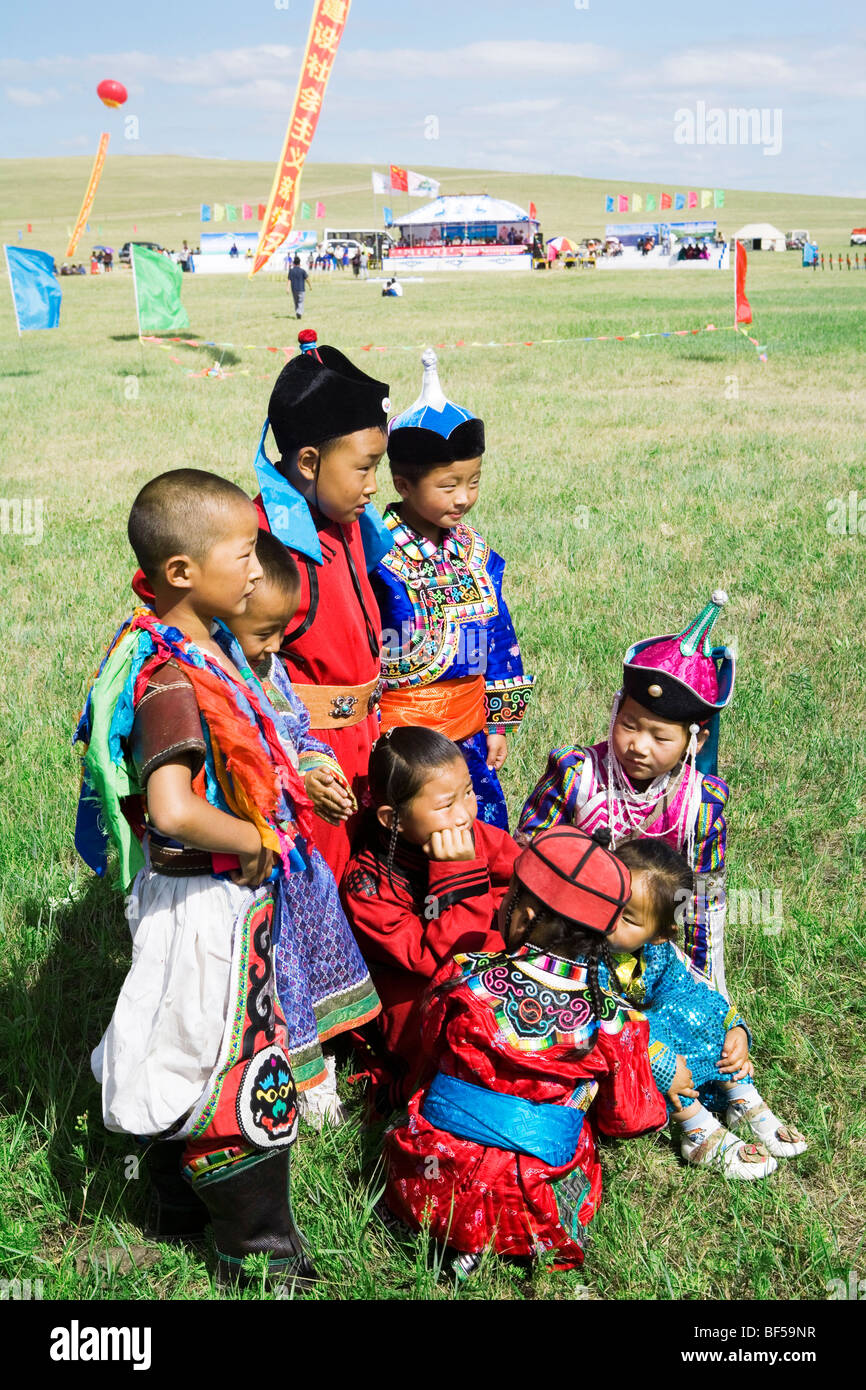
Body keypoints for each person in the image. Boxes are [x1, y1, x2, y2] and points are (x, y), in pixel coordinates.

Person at [73, 469, 316, 1286]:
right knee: (239, 1063)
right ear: (181, 572)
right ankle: (257, 1254)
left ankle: (176, 1204)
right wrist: (252, 833)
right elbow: (173, 810)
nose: (257, 569)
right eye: (243, 553)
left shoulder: (200, 646)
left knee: (197, 1046)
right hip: (203, 897)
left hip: (222, 896)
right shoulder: (171, 678)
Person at [383, 827, 667, 1273]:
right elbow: (630, 1117)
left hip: (429, 1176)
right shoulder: (616, 1020)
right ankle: (502, 1242)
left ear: (524, 914)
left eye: (508, 895)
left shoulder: (463, 978)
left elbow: (432, 1047)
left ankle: (446, 1230)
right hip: (533, 1203)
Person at [226, 529, 381, 1126]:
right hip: (255, 860)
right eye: (263, 633)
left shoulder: (268, 669)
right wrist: (291, 777)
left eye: (281, 634)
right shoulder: (216, 681)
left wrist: (318, 770)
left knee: (308, 959)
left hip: (296, 857)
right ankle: (294, 1087)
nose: (274, 648)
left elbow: (299, 734)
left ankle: (325, 1061)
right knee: (277, 970)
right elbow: (240, 763)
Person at [518, 591, 734, 993]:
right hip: (562, 935)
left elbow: (704, 903)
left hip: (647, 948)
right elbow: (530, 859)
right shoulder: (575, 774)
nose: (639, 745)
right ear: (616, 709)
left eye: (659, 736)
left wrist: (706, 987)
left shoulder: (700, 807)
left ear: (696, 740)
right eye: (629, 724)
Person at [250, 329, 393, 881]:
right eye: (363, 467)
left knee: (365, 881)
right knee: (317, 891)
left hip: (363, 743)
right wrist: (296, 765)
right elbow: (244, 671)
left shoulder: (345, 522)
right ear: (308, 462)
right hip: (309, 761)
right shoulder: (262, 545)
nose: (374, 486)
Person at [371, 350, 534, 829]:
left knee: (476, 830)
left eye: (473, 481)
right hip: (405, 741)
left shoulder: (478, 553)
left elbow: (500, 637)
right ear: (403, 483)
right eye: (447, 485)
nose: (463, 497)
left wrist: (499, 723)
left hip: (471, 731)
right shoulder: (378, 557)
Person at [603, 838, 807, 1177]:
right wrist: (664, 1060)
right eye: (609, 903)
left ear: (658, 935)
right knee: (649, 1026)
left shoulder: (658, 951)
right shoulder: (586, 952)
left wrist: (735, 1027)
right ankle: (694, 1126)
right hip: (619, 1050)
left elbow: (686, 989)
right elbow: (607, 1018)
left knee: (697, 1005)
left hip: (651, 1033)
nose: (610, 920)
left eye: (628, 918)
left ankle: (739, 1093)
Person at [341, 727, 519, 1107]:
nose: (464, 815)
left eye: (468, 793)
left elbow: (517, 881)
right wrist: (458, 875)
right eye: (445, 805)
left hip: (487, 966)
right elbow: (437, 958)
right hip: (416, 994)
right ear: (394, 820)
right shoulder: (368, 885)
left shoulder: (477, 834)